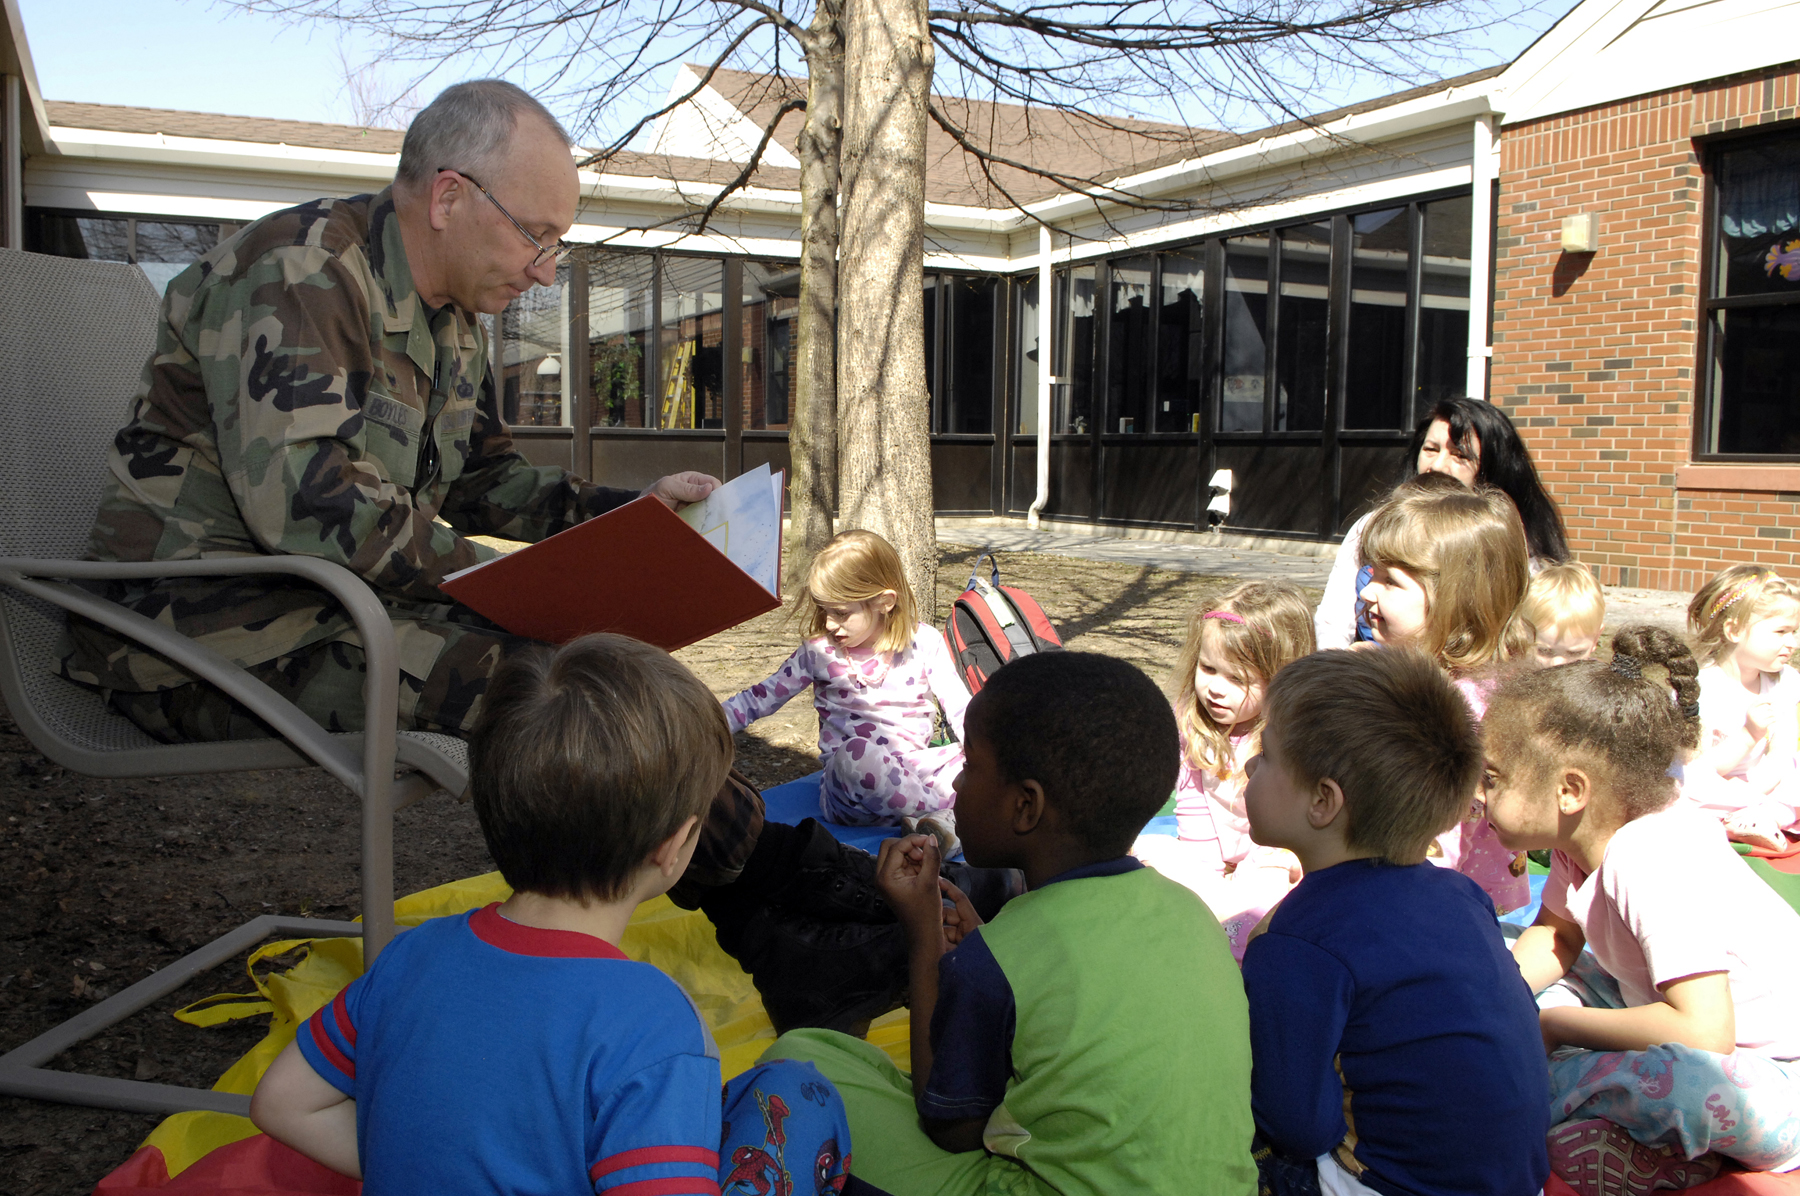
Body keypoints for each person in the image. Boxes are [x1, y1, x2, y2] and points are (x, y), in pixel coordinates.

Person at [248, 633, 878, 1194]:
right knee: (796, 1091)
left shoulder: (407, 957)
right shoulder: (652, 1020)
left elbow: (281, 1105)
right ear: (675, 847)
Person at [757, 651, 1258, 1195]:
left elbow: (949, 1124)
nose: (955, 788)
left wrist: (923, 934)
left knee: (793, 1061)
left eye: (970, 767)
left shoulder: (1001, 958)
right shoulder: (1194, 914)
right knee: (833, 1052)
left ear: (1026, 807)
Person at [1483, 626, 1800, 1194]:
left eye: (1493, 778)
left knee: (1672, 1083)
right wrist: (1491, 999)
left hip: (1773, 1075)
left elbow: (1705, 1033)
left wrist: (1553, 1024)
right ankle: (1646, 1132)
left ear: (1570, 790)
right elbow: (1557, 936)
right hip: (1671, 1007)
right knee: (1498, 950)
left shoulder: (1648, 856)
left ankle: (1656, 1146)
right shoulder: (1580, 838)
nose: (1479, 795)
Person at [1240, 648, 1550, 1196]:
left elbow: (1298, 1124)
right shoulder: (1463, 896)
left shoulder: (1297, 941)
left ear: (1323, 801)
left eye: (1264, 755)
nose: (1247, 766)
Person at [1356, 483, 1535, 914]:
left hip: (1439, 902)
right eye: (1371, 573)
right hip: (1473, 891)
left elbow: (1436, 843)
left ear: (1455, 600)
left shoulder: (1448, 710)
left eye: (1390, 581)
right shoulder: (1446, 677)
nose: (1367, 592)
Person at [724, 530, 971, 840]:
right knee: (855, 755)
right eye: (824, 610)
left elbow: (961, 707)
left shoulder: (923, 642)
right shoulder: (819, 653)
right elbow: (759, 698)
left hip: (915, 770)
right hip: (850, 790)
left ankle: (925, 820)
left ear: (885, 602)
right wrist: (706, 722)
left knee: (977, 756)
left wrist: (979, 753)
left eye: (840, 613)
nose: (829, 623)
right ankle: (947, 815)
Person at [1130, 580, 1313, 960]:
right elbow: (1193, 797)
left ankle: (1231, 960)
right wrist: (1207, 870)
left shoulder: (1293, 737)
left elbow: (1301, 815)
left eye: (1237, 679)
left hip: (1270, 853)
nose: (1215, 688)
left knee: (1261, 901)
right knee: (1145, 856)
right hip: (1211, 857)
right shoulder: (1192, 722)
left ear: (1282, 679)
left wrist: (1291, 856)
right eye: (1208, 668)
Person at [1317, 397, 1569, 648]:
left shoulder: (1520, 547)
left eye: (1460, 455)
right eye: (1431, 449)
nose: (1436, 465)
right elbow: (1334, 623)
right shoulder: (1372, 525)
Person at [1685, 564, 1800, 849]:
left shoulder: (1785, 681)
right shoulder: (1702, 690)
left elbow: (1782, 754)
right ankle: (1747, 819)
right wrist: (1749, 734)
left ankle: (1763, 818)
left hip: (1766, 783)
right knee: (1681, 787)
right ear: (1734, 630)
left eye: (1795, 631)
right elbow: (1703, 768)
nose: (1793, 643)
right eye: (1781, 631)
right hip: (1718, 785)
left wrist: (1757, 794)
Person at [1521, 561, 1605, 668]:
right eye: (1544, 651)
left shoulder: (1600, 682)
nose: (1557, 664)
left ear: (1596, 639)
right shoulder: (1507, 680)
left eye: (1575, 653)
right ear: (1522, 633)